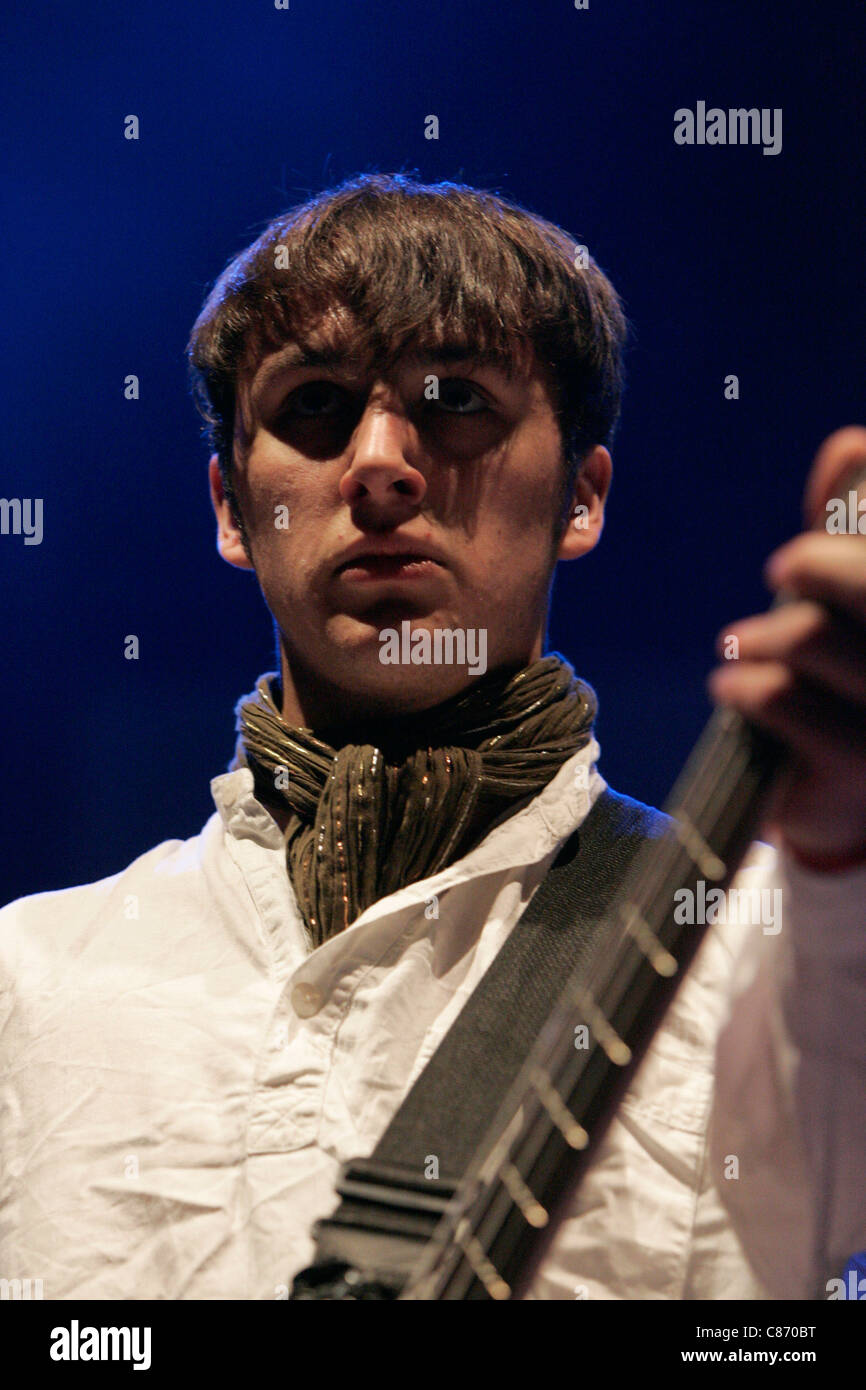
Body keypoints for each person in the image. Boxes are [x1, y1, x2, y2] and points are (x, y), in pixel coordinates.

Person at [1, 172, 864, 1301]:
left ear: (580, 498)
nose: (377, 462)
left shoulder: (772, 955)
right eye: (313, 405)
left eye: (454, 399)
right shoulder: (28, 983)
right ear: (228, 508)